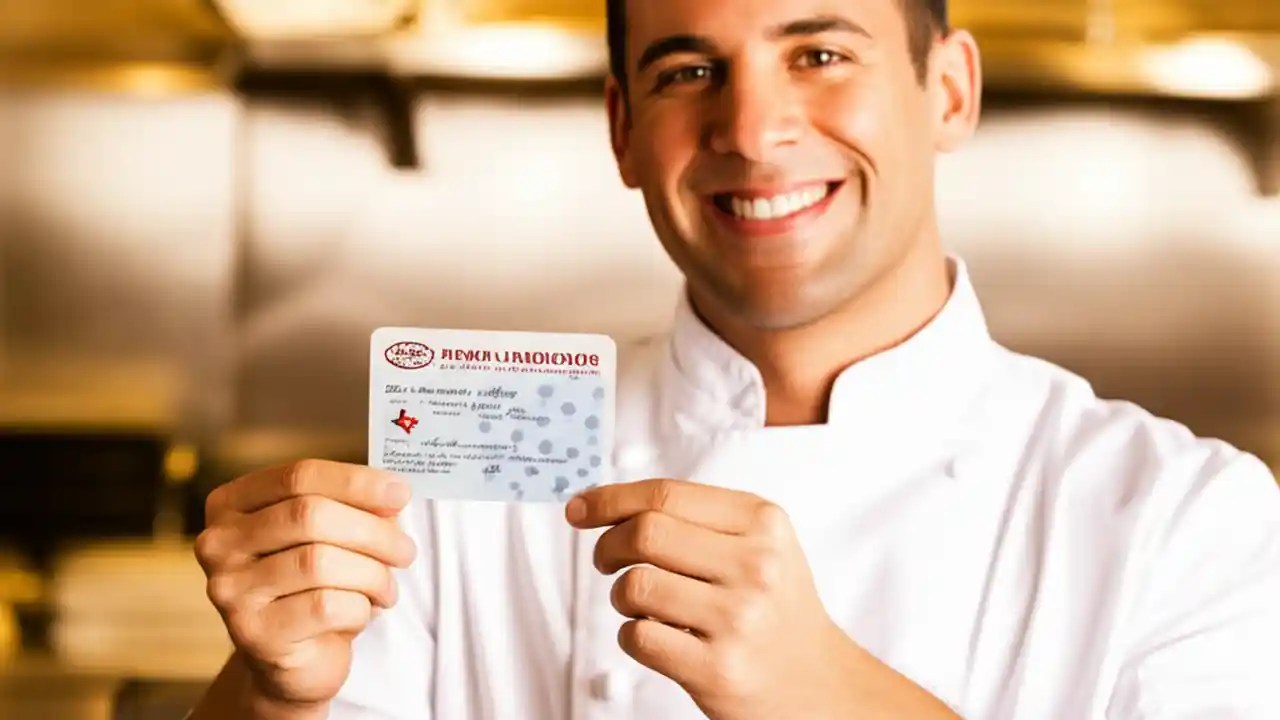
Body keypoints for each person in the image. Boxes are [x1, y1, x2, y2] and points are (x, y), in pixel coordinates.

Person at [189, 0, 1280, 717]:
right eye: (685, 70)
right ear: (621, 129)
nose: (752, 130)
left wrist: (831, 697)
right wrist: (277, 693)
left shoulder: (1187, 518)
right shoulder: (464, 482)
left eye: (818, 54)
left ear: (947, 89)